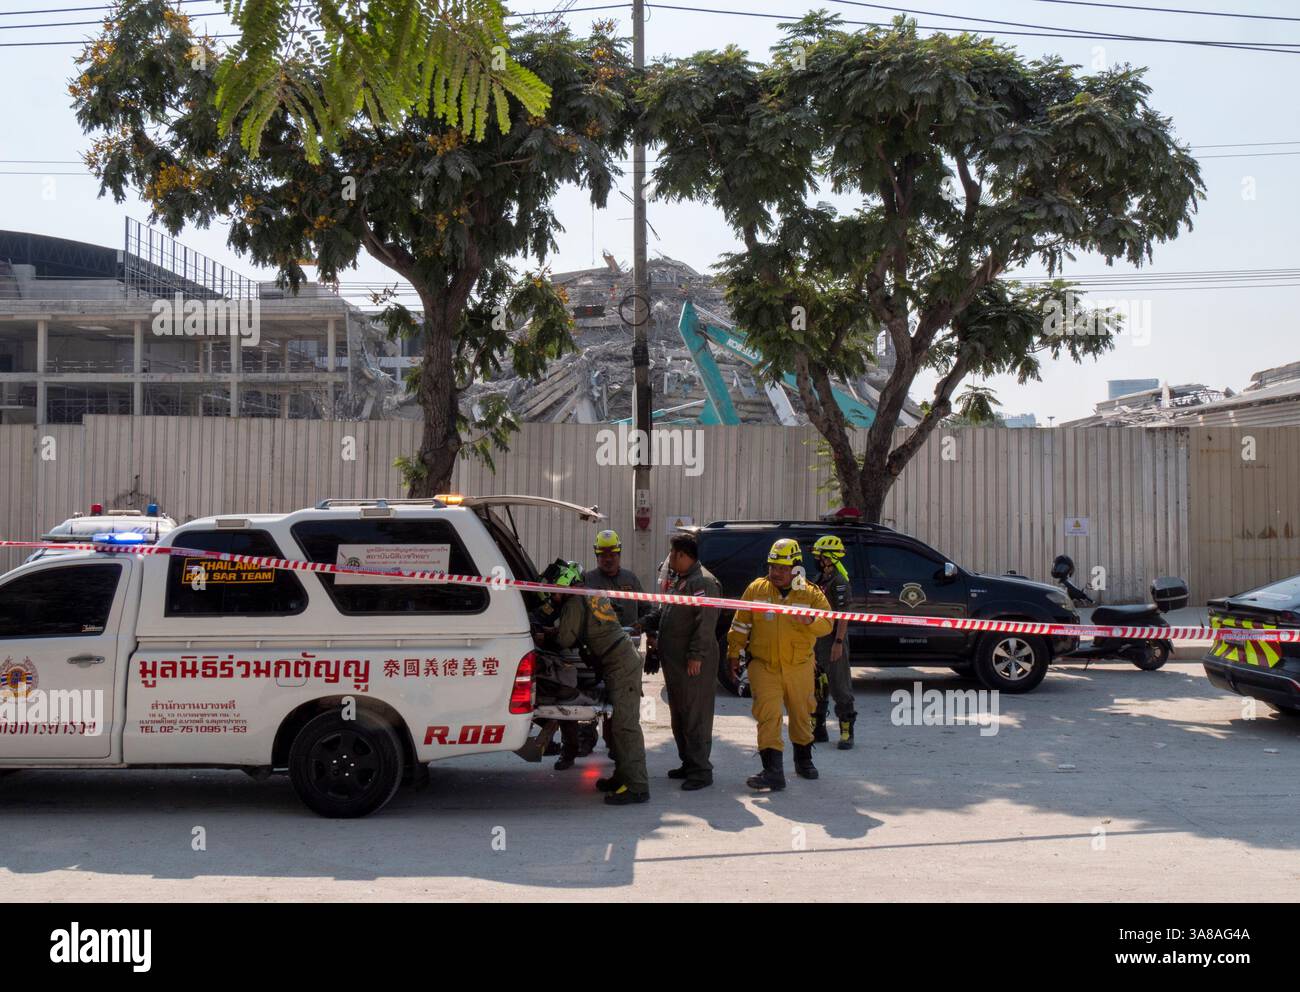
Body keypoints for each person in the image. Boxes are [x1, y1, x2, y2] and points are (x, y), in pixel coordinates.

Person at [535, 560, 650, 805]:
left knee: (625, 727)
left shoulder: (574, 601)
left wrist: (547, 636)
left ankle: (637, 786)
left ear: (563, 585)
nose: (552, 596)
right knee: (619, 724)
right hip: (618, 663)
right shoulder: (588, 594)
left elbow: (566, 638)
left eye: (553, 591)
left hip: (620, 666)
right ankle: (622, 777)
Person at [727, 539, 832, 790]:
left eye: (782, 568)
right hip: (764, 666)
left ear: (796, 568)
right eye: (773, 566)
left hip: (800, 666)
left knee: (800, 714)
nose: (776, 573)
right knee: (768, 716)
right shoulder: (756, 590)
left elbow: (828, 624)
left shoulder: (811, 593)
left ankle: (804, 760)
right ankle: (773, 771)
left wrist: (810, 621)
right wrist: (734, 652)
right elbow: (741, 623)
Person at [640, 533, 721, 791]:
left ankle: (701, 770)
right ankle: (688, 762)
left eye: (673, 554)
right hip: (676, 665)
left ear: (684, 556)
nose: (670, 559)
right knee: (680, 715)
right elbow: (665, 611)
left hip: (693, 665)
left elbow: (705, 624)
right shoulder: (682, 581)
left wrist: (696, 655)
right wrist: (643, 624)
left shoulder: (704, 583)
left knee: (695, 715)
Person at [810, 534, 857, 750]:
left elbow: (843, 615)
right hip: (818, 639)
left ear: (829, 558)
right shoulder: (821, 578)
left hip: (832, 640)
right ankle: (818, 728)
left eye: (819, 556)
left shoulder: (839, 582)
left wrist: (838, 642)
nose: (817, 559)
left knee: (840, 685)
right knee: (819, 684)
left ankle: (847, 731)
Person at [583, 529, 645, 627]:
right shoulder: (588, 580)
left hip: (630, 638)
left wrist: (649, 631)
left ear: (619, 555)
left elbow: (645, 608)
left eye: (612, 555)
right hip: (600, 639)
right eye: (603, 555)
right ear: (597, 557)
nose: (608, 559)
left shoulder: (630, 578)